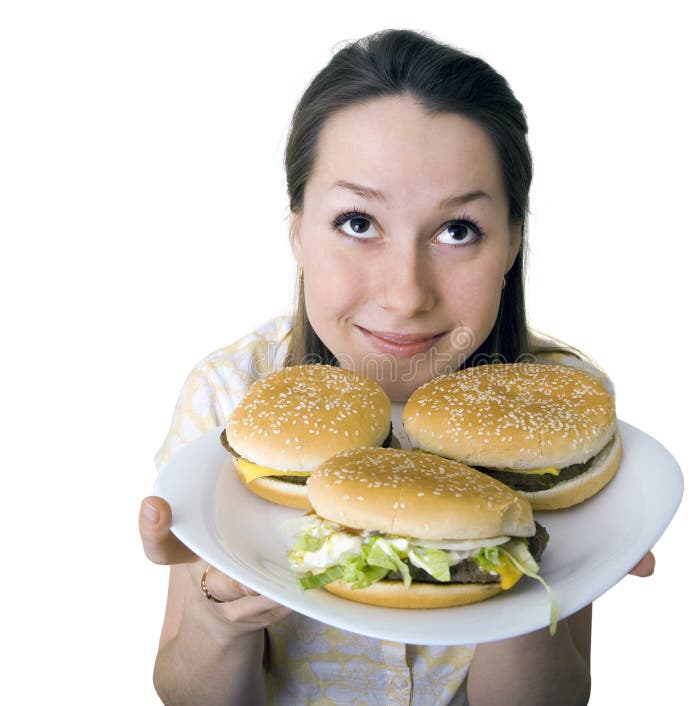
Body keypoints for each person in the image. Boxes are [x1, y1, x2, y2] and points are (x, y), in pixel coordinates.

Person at [139, 29, 656, 706]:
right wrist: (218, 611)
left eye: (457, 230)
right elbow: (186, 692)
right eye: (358, 221)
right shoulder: (232, 397)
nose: (406, 294)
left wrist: (535, 571)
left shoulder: (560, 410)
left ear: (513, 242)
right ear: (297, 230)